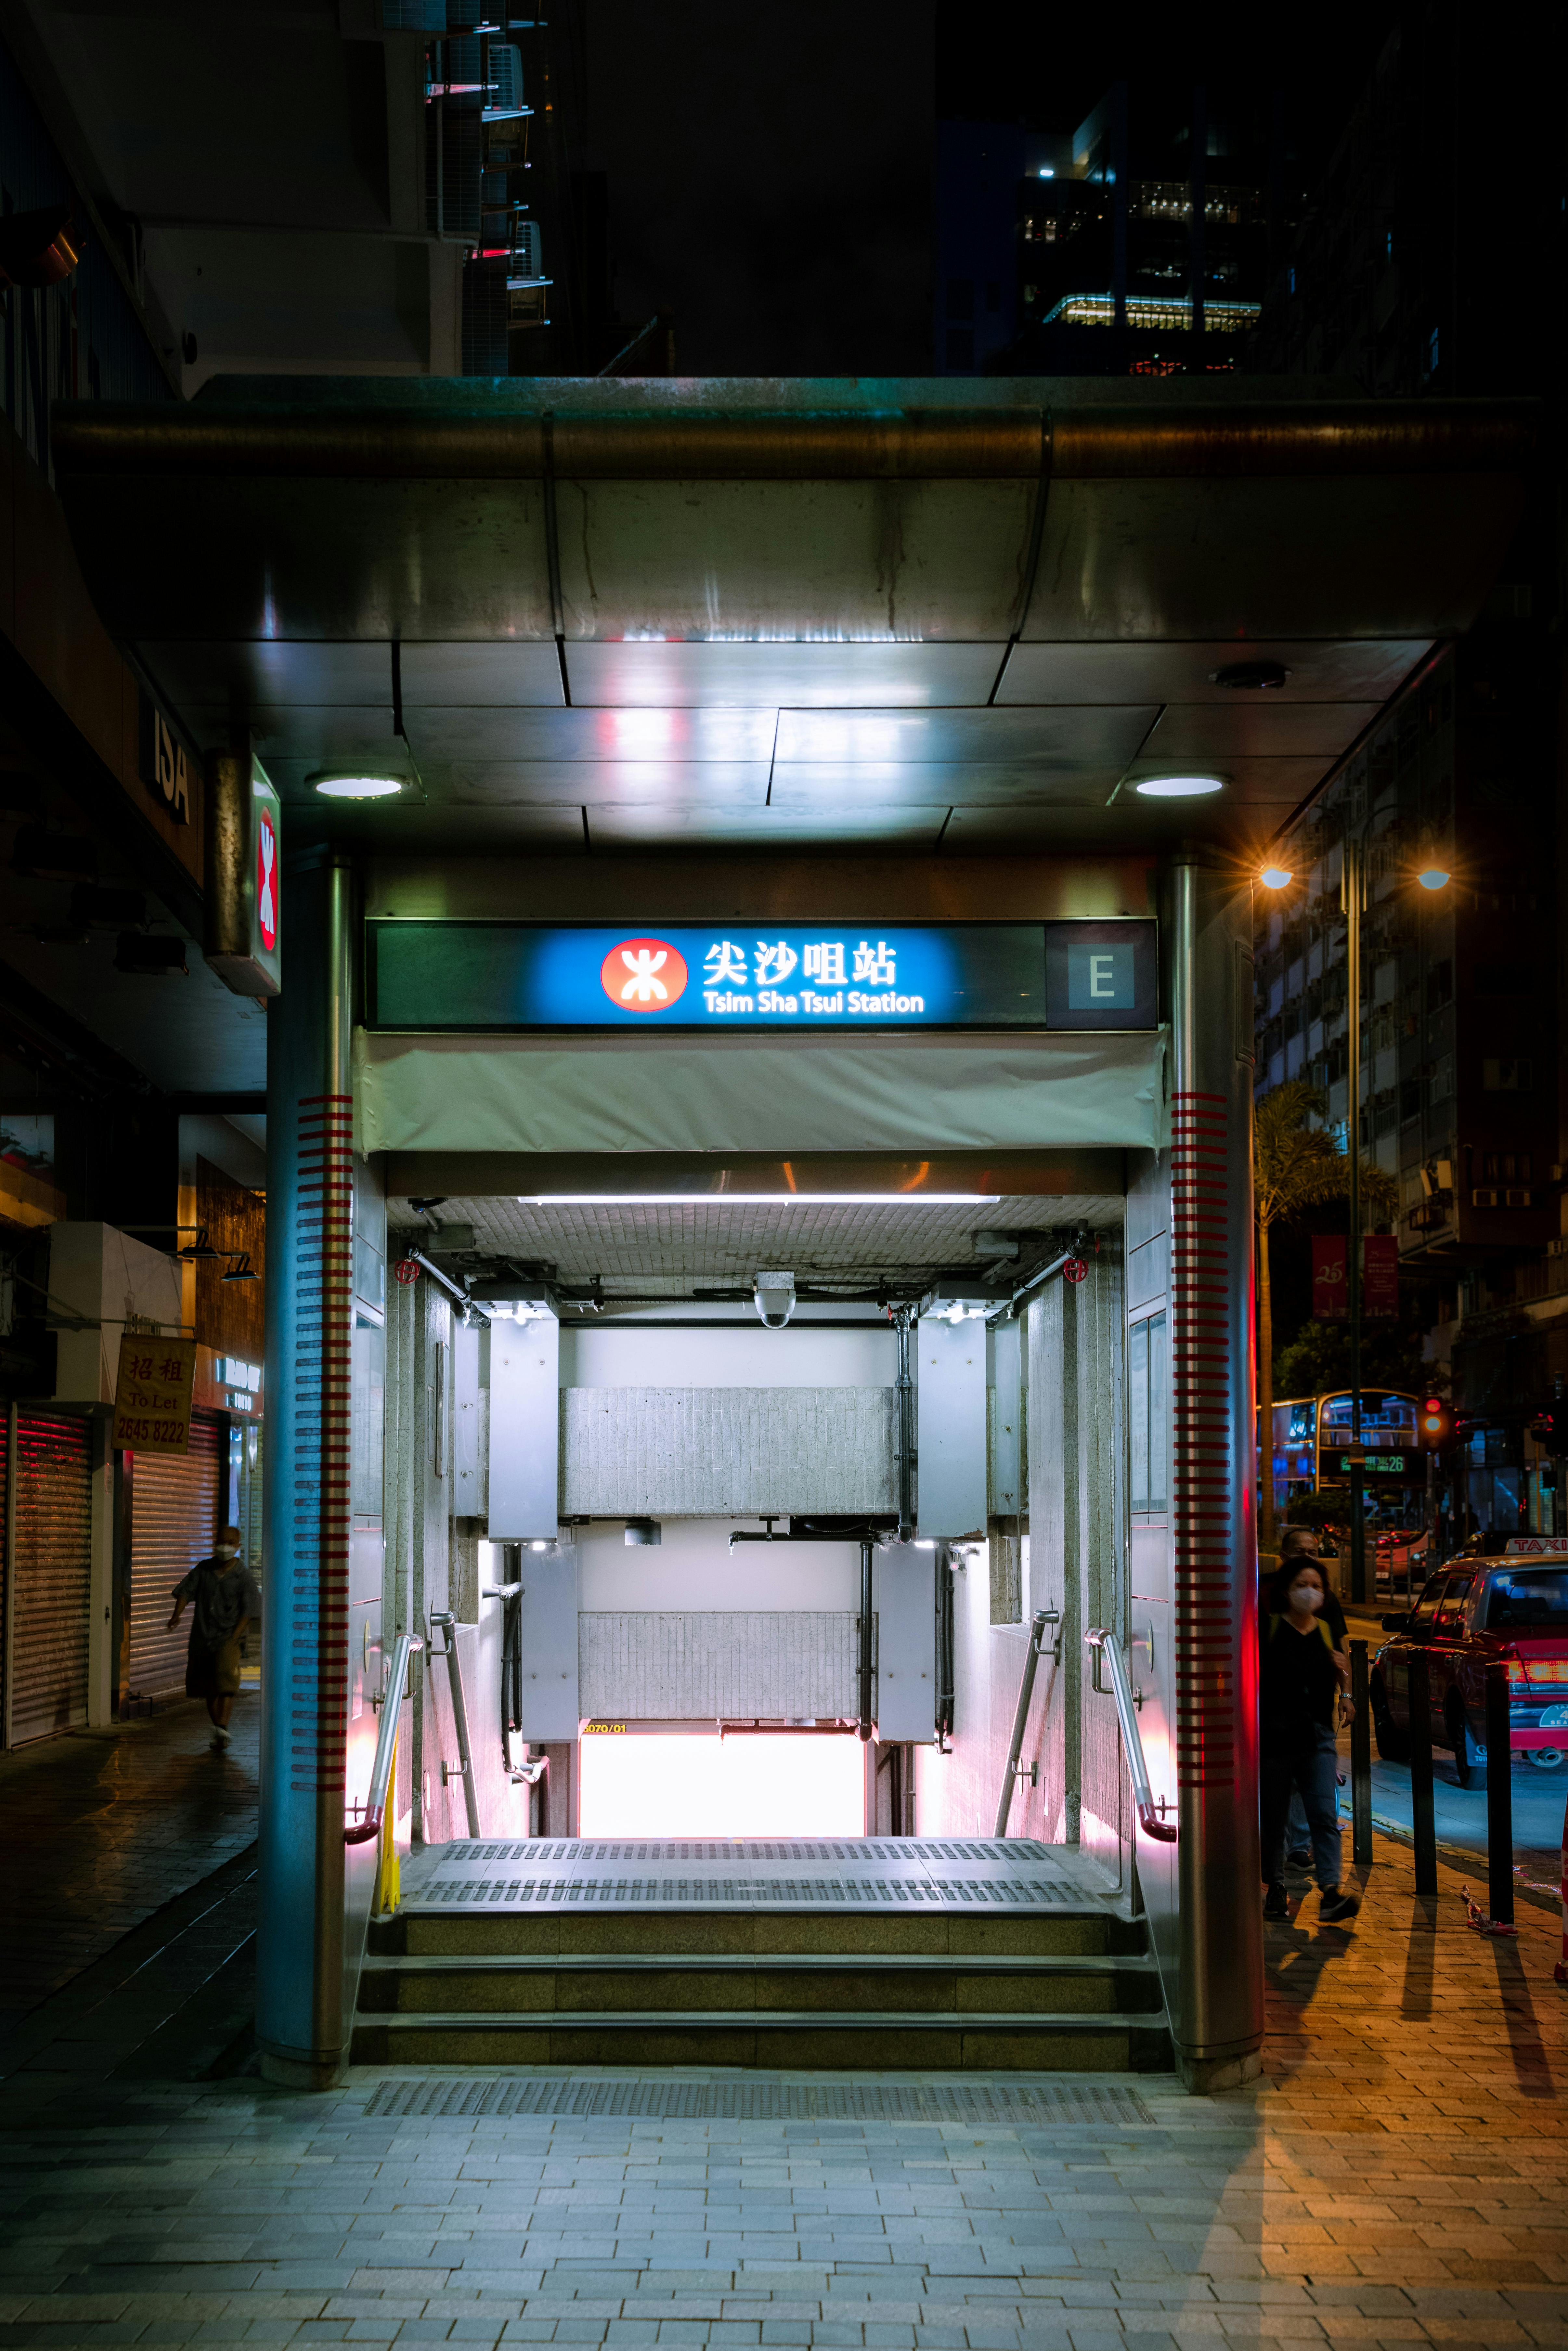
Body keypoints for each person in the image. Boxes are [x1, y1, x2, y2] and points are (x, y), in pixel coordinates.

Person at [1260, 1557, 1360, 1925]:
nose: (1311, 1592)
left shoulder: (1325, 1631)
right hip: (1274, 1735)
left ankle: (1330, 1891)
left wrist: (1346, 1693)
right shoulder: (1268, 1629)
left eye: (1317, 1586)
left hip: (1317, 1736)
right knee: (1275, 1815)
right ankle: (1275, 1886)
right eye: (1303, 1585)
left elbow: (1341, 1667)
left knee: (1323, 1814)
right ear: (1287, 1590)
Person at [1267, 1527, 1350, 1868]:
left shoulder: (1327, 1605)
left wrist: (1346, 1693)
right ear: (1284, 1557)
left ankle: (1304, 1853)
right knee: (1278, 1795)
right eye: (1300, 1551)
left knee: (1317, 1797)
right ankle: (1274, 1870)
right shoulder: (1268, 1606)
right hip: (1275, 1722)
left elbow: (1342, 1652)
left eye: (1313, 1551)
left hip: (1317, 1721)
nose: (1307, 1556)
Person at [167, 1526, 261, 1751]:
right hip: (203, 1637)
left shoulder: (243, 1576)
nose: (225, 1547)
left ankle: (222, 1725)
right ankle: (219, 1729)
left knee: (226, 1682)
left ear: (238, 1546)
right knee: (209, 1685)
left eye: (230, 1543)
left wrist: (235, 1636)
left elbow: (249, 1610)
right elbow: (185, 1591)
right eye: (221, 1542)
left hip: (229, 1638)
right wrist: (176, 1615)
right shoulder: (204, 1569)